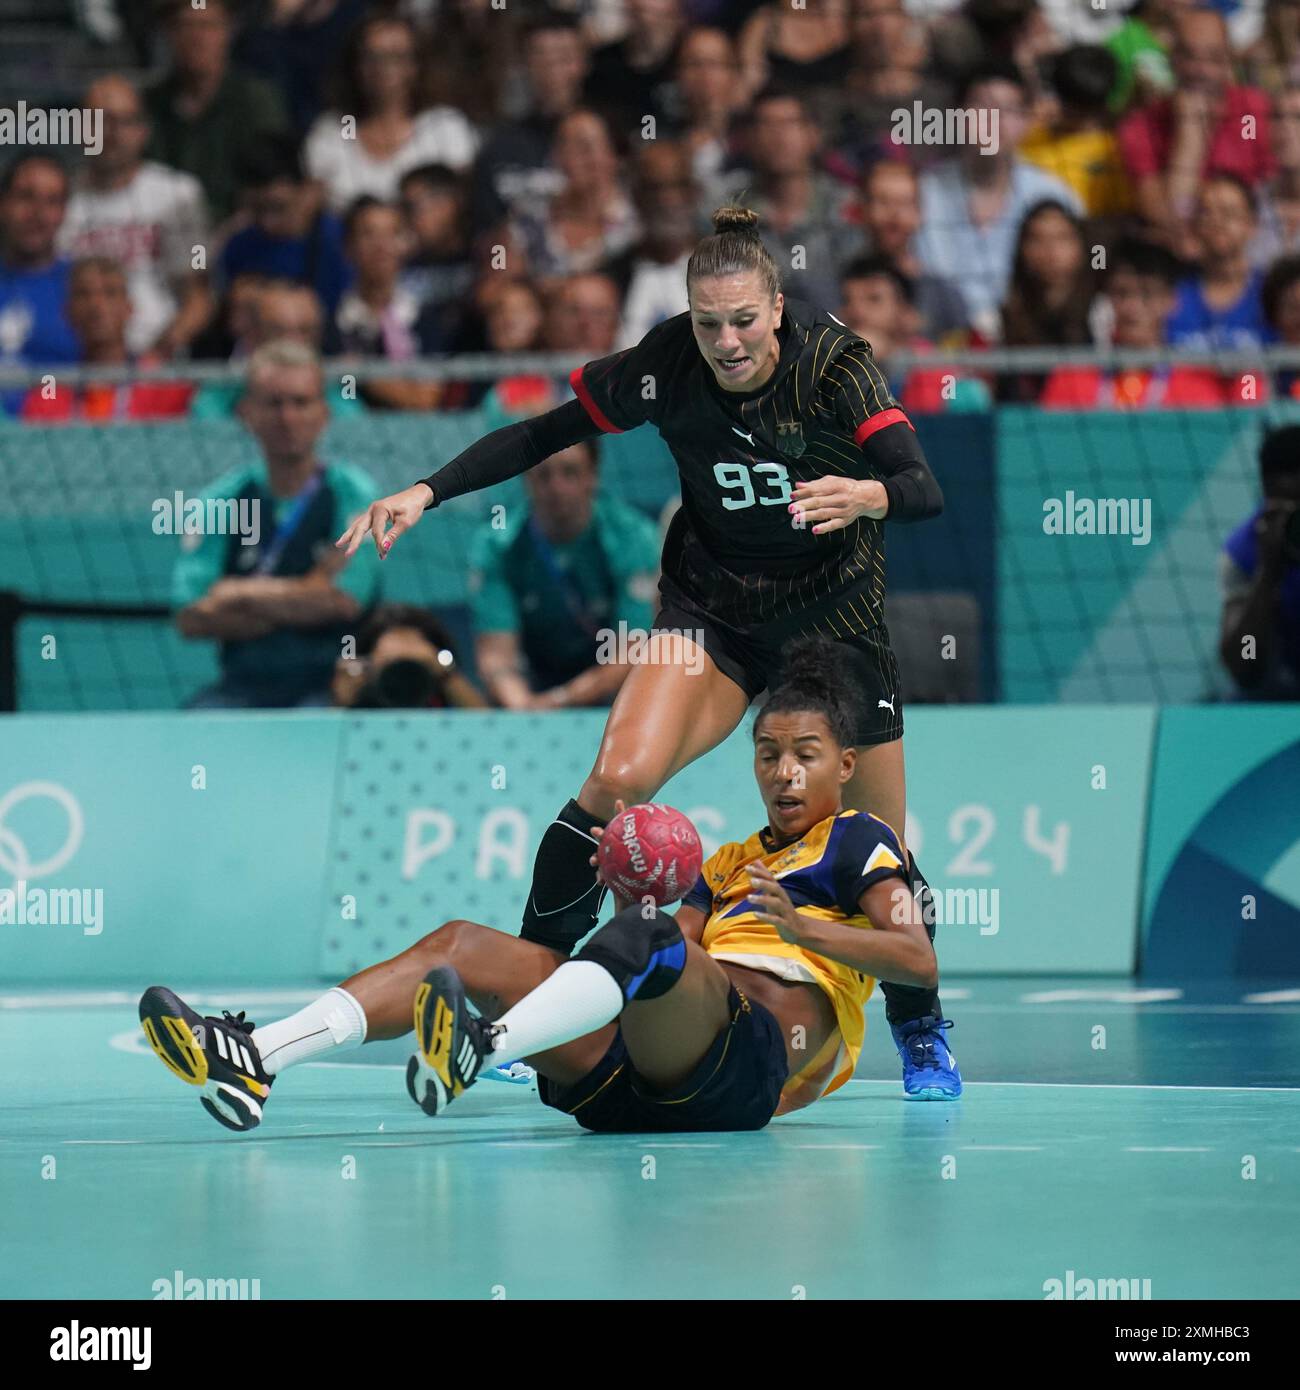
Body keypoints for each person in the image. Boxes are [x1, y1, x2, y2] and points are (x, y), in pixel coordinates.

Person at [337, 203, 961, 1099]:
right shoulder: (667, 364)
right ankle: (527, 1001)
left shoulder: (837, 367)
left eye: (745, 320)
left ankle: (924, 1032)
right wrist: (427, 491)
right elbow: (542, 433)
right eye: (710, 324)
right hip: (715, 612)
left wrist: (867, 495)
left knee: (880, 847)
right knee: (615, 779)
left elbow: (922, 486)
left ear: (776, 307)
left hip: (836, 625)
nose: (728, 341)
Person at [138, 638, 950, 1134]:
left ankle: (485, 1047)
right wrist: (634, 899)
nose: (784, 771)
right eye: (768, 752)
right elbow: (668, 962)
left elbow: (916, 959)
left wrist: (809, 933)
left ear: (846, 765)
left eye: (805, 752)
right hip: (637, 1078)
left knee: (652, 944)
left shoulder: (860, 841)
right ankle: (258, 1059)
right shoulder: (728, 862)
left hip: (754, 1069)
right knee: (466, 946)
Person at [174, 340, 381, 709]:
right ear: (247, 413)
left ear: (324, 412)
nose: (287, 417)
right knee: (195, 725)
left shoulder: (355, 494)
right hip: (239, 687)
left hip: (330, 687)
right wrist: (308, 592)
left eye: (301, 402)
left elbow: (345, 601)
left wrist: (239, 594)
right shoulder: (220, 500)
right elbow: (191, 616)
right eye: (273, 403)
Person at [469, 440, 661, 710]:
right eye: (544, 475)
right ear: (527, 479)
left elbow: (632, 650)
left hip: (611, 690)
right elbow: (497, 658)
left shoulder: (634, 537)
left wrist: (562, 699)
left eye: (570, 473)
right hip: (529, 685)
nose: (556, 488)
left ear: (592, 477)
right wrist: (523, 705)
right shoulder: (495, 545)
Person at [913, 63, 1082, 339]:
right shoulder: (921, 193)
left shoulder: (1054, 195)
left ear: (1027, 122)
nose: (993, 120)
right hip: (937, 344)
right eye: (982, 106)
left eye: (1009, 110)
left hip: (1031, 344)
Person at [59, 75, 214, 360]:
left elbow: (199, 294)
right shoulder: (58, 202)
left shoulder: (180, 195)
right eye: (99, 121)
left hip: (161, 363)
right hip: (75, 364)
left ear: (143, 130)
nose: (112, 132)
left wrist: (159, 354)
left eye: (124, 121)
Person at [1116, 7, 1275, 256]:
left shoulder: (1253, 111)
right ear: (1171, 58)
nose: (1200, 70)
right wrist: (1189, 137)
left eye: (1213, 58)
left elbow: (1270, 201)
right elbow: (1164, 216)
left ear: (1228, 62)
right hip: (1177, 254)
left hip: (1252, 247)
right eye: (1189, 56)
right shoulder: (1140, 126)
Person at [303, 12, 478, 216]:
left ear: (415, 65)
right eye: (371, 56)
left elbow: (464, 210)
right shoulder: (332, 131)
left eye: (395, 56)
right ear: (355, 65)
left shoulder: (445, 127)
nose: (383, 67)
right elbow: (306, 214)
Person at [143, 0, 293, 226]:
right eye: (185, 26)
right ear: (168, 33)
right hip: (163, 233)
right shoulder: (147, 106)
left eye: (207, 26)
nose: (196, 38)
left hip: (240, 233)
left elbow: (273, 180)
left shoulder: (256, 100)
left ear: (229, 31)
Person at [1040, 237, 1233, 409]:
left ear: (1172, 300)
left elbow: (1250, 393)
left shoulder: (1197, 382)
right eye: (1121, 293)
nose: (1132, 307)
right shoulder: (1069, 378)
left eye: (1147, 294)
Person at [18, 257, 194, 424]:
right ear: (67, 311)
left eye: (109, 293)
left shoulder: (163, 387)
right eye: (84, 294)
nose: (96, 305)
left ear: (129, 308)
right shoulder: (49, 394)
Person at [1219, 424, 1300, 700]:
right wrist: (1266, 577)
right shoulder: (1244, 553)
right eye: (1285, 509)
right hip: (1275, 697)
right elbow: (1245, 664)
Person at [0, 154, 79, 413]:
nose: (38, 213)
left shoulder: (85, 289)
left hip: (58, 439)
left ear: (65, 212)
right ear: (3, 203)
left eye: (52, 202)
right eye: (26, 197)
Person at [331, 602, 487, 710]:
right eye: (392, 666)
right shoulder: (362, 696)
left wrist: (447, 675)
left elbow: (487, 729)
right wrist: (341, 702)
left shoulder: (444, 690)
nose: (403, 679)